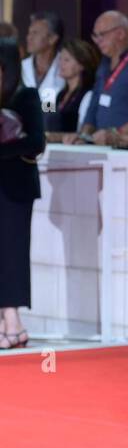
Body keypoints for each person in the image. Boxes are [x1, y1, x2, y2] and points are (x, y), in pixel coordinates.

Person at [0, 38, 46, 350]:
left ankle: (14, 321)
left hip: (15, 187)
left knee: (13, 253)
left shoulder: (27, 97)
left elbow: (36, 143)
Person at [80, 11, 128, 142]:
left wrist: (117, 134)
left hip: (124, 141)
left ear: (121, 34)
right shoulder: (103, 63)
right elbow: (94, 104)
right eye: (95, 36)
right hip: (99, 141)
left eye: (102, 35)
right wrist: (83, 136)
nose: (97, 41)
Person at [43, 39, 98, 141]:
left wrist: (56, 137)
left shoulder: (87, 95)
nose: (61, 64)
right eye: (60, 59)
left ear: (82, 65)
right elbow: (46, 118)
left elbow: (83, 132)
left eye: (66, 60)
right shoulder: (59, 94)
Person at [21, 11, 65, 108]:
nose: (29, 38)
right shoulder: (21, 67)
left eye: (35, 33)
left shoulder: (65, 66)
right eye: (29, 33)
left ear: (52, 39)